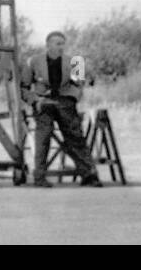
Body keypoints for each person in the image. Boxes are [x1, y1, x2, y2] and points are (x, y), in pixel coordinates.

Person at [20, 31, 101, 188]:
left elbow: (80, 85)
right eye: (57, 43)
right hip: (43, 104)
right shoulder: (33, 62)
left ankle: (89, 174)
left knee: (76, 138)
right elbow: (23, 88)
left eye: (63, 44)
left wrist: (72, 99)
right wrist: (35, 101)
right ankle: (39, 177)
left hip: (66, 104)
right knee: (42, 139)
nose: (61, 47)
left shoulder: (76, 62)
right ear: (48, 45)